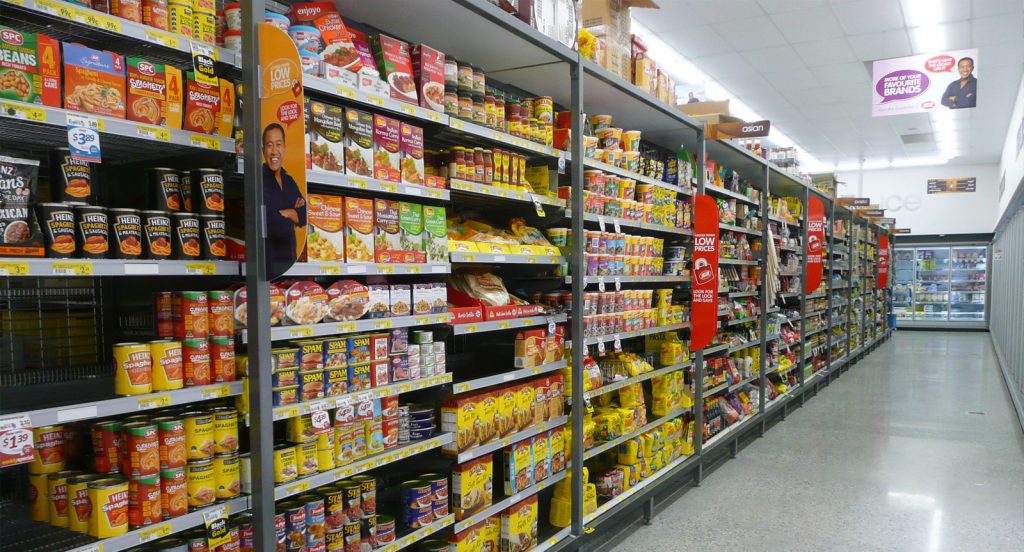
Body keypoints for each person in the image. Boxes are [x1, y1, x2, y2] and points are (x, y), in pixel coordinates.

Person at [262, 122, 306, 276]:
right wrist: (293, 213)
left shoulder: (289, 180)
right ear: (263, 150)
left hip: (291, 263)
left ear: (285, 148)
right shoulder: (258, 179)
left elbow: (304, 215)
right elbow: (269, 223)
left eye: (279, 144)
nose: (274, 151)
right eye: (270, 145)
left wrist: (285, 213)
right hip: (267, 267)